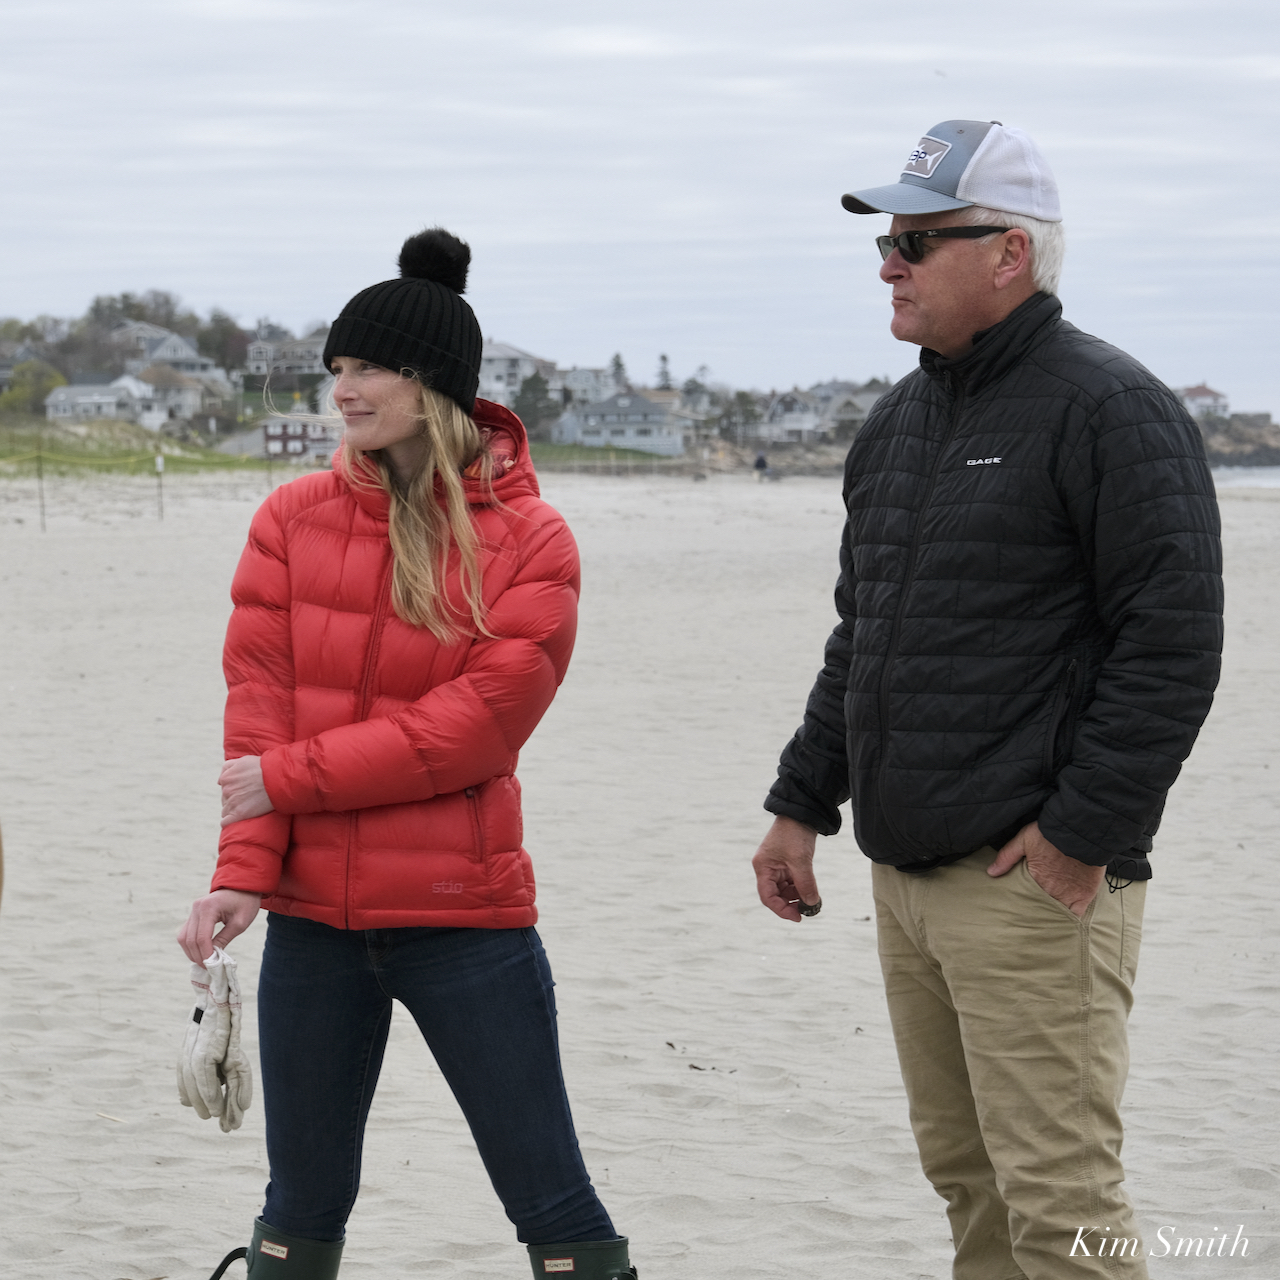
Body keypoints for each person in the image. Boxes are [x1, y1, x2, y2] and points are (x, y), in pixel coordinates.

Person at [751, 121, 1222, 1279]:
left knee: (1060, 1202)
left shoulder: (1111, 408)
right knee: (966, 1182)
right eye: (887, 242)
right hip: (905, 877)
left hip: (1030, 883)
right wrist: (800, 802)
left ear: (1006, 251)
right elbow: (863, 634)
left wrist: (1077, 839)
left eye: (915, 240)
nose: (887, 265)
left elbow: (1172, 645)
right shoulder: (897, 422)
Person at [179, 228, 638, 1280]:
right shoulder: (289, 519)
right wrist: (240, 873)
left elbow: (476, 729)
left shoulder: (532, 541)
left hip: (461, 914)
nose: (342, 389)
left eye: (368, 367)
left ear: (430, 385)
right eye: (335, 367)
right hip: (310, 927)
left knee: (553, 1201)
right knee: (296, 1212)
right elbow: (260, 710)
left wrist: (286, 778)